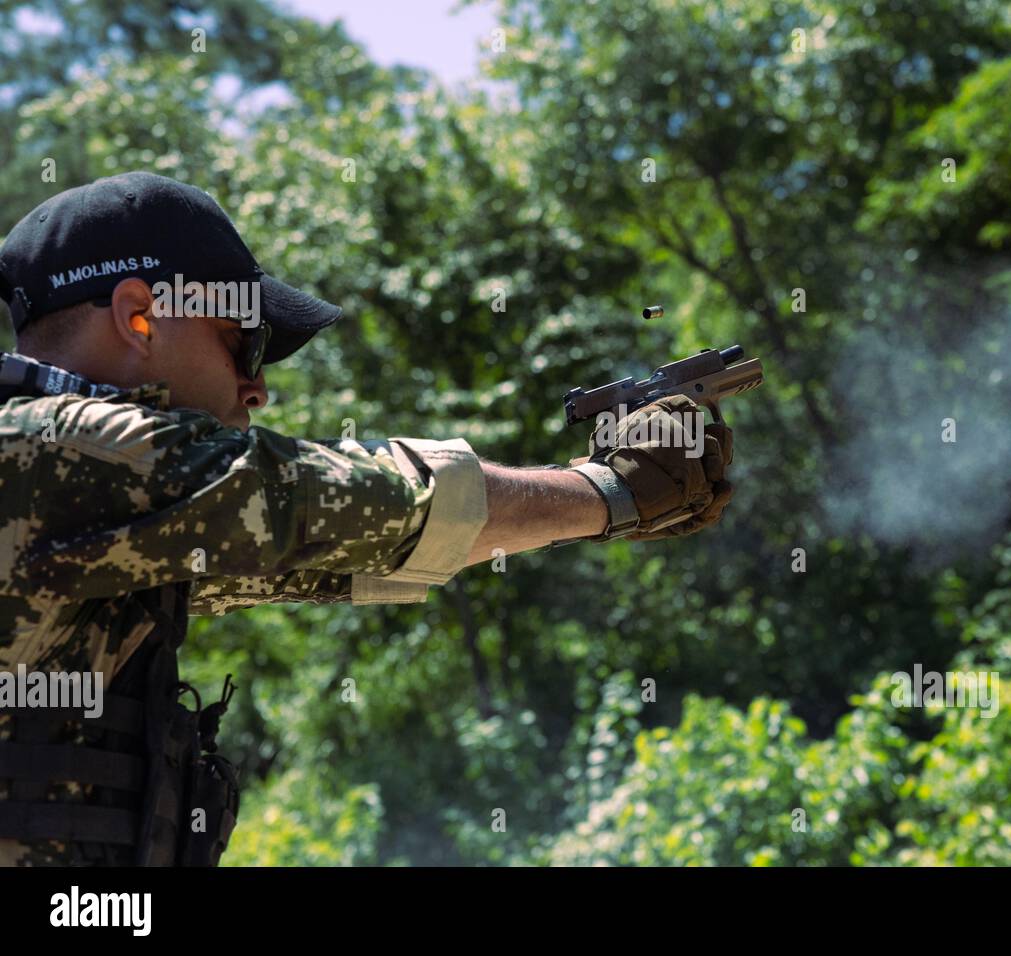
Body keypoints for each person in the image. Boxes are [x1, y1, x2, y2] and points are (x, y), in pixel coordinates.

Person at [0, 171, 735, 866]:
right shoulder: (46, 453)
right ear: (139, 316)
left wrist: (601, 500)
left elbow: (343, 555)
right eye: (244, 344)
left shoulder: (97, 517)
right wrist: (611, 491)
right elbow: (344, 505)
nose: (256, 391)